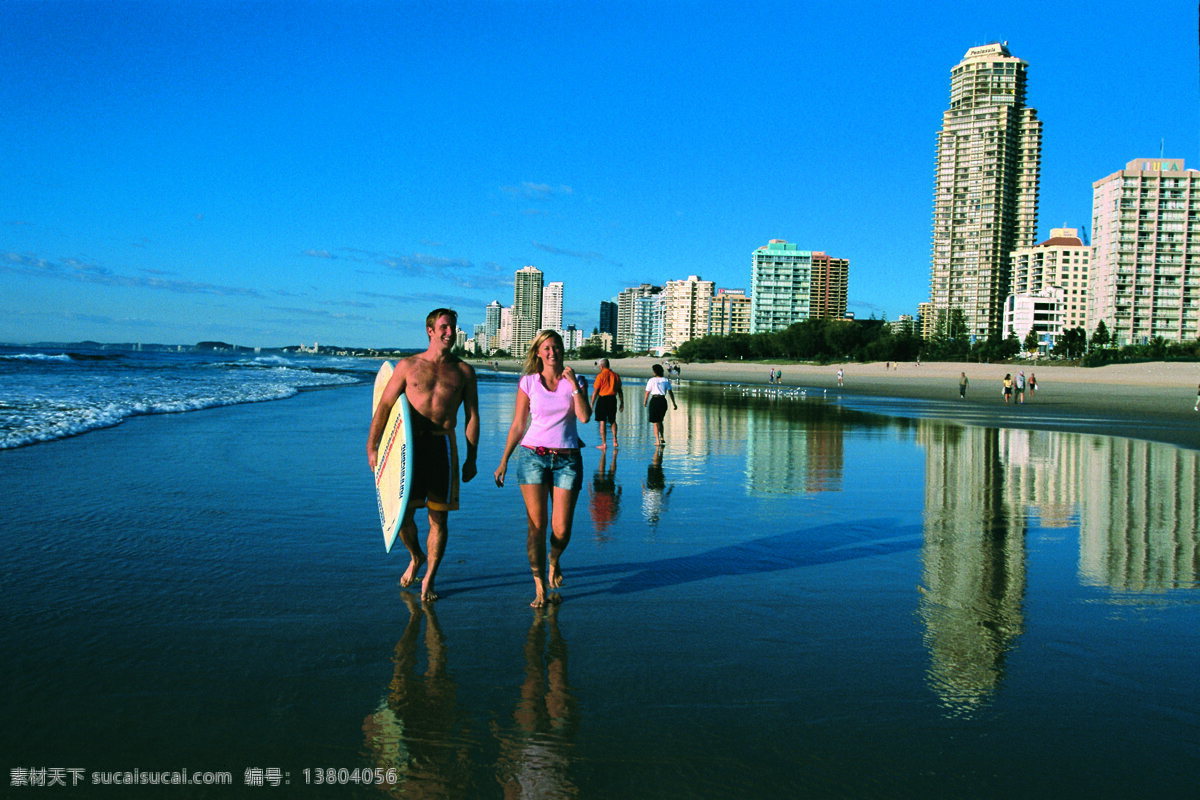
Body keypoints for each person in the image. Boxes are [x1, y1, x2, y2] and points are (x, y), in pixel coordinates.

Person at [367, 308, 479, 602]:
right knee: (403, 516)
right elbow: (385, 406)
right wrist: (373, 446)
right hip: (410, 447)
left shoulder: (464, 371)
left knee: (439, 520)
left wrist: (472, 457)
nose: (450, 333)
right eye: (444, 328)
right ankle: (416, 556)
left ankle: (429, 578)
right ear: (430, 331)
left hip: (443, 447)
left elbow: (472, 417)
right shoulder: (408, 366)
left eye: (452, 328)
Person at [494, 330, 592, 608]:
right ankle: (539, 586)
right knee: (536, 526)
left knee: (562, 530)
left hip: (568, 460)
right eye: (546, 348)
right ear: (538, 352)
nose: (552, 352)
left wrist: (573, 384)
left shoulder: (579, 381)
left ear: (563, 350)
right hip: (532, 459)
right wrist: (504, 460)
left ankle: (554, 559)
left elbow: (584, 417)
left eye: (556, 347)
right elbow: (518, 424)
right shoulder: (528, 383)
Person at [589, 358, 624, 450]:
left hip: (603, 399)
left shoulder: (600, 376)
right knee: (613, 420)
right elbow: (620, 390)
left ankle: (604, 444)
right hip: (612, 399)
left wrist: (592, 403)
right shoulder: (615, 375)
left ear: (601, 366)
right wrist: (622, 402)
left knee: (602, 421)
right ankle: (615, 439)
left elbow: (595, 391)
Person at [643, 363, 677, 447]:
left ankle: (657, 440)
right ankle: (662, 436)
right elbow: (670, 392)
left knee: (655, 422)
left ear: (654, 372)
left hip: (654, 400)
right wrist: (674, 403)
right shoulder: (665, 380)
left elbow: (647, 392)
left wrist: (645, 401)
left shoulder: (651, 380)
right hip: (662, 400)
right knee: (660, 420)